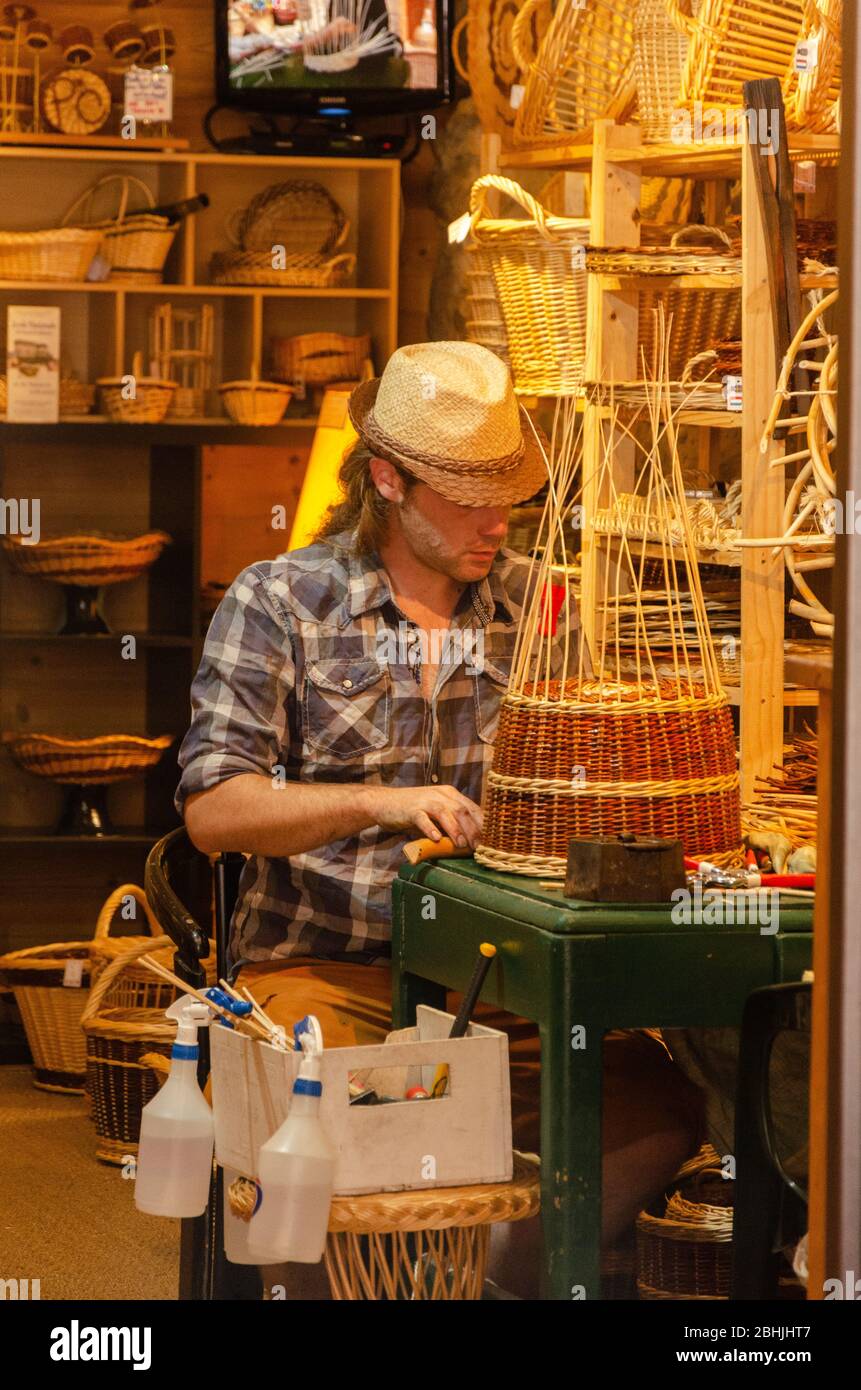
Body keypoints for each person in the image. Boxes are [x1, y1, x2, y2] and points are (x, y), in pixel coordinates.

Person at [177, 340, 704, 1297]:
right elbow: (215, 812)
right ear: (387, 477)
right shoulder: (282, 601)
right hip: (328, 977)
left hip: (502, 986)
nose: (496, 519)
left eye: (506, 491)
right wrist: (376, 803)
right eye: (466, 494)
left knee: (653, 1104)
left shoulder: (536, 608)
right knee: (307, 1120)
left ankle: (482, 1283)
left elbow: (581, 781)